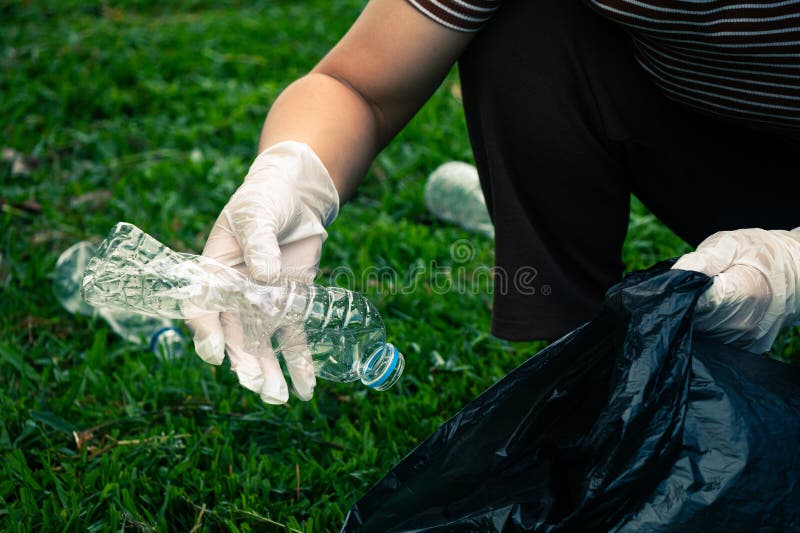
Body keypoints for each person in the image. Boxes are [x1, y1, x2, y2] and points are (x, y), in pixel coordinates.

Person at [186, 0, 800, 404]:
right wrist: (293, 173)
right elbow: (358, 83)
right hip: (718, 150)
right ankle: (582, 370)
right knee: (528, 21)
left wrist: (793, 264)